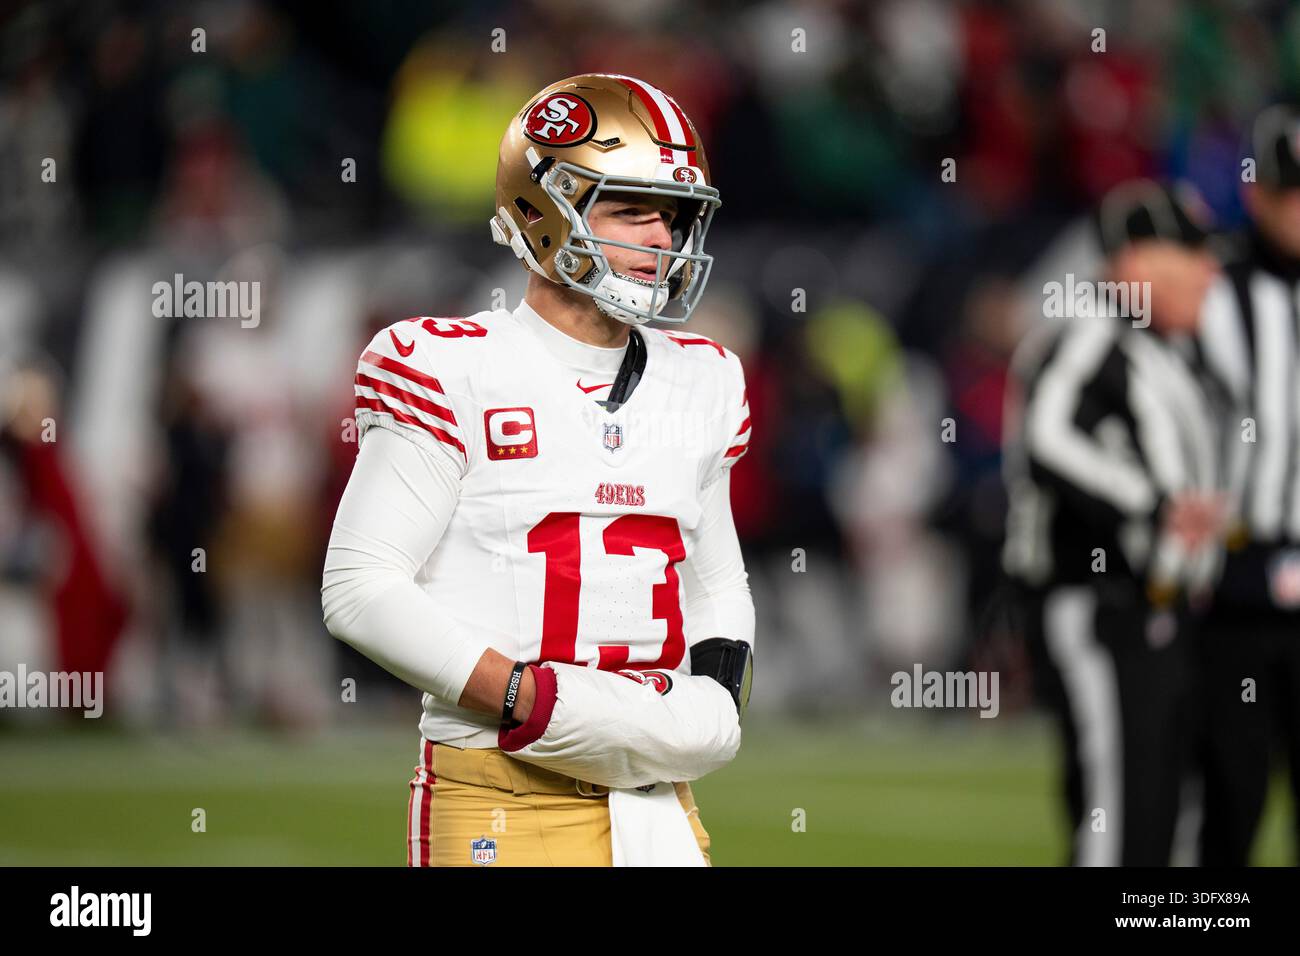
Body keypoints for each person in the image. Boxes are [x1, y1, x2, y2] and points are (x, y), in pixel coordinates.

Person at [321, 74, 755, 867]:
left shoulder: (705, 378)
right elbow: (359, 586)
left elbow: (715, 580)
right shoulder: (451, 366)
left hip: (656, 800)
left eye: (676, 214)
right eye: (632, 209)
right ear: (543, 209)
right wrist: (526, 696)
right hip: (501, 792)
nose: (664, 239)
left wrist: (719, 697)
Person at [1001, 180, 1224, 865]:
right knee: (1121, 815)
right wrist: (1153, 503)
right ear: (1134, 261)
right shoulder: (1089, 336)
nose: (1207, 271)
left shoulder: (1162, 346)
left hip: (1157, 608)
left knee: (1168, 808)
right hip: (1099, 603)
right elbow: (1048, 437)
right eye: (1187, 253)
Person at [1195, 104, 1300, 866]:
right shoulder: (1211, 294)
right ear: (1257, 193)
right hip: (1233, 583)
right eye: (1287, 191)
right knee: (1233, 795)